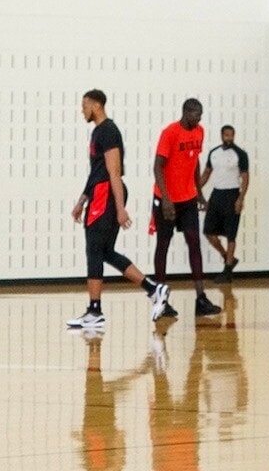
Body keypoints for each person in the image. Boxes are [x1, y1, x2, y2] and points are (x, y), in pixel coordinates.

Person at [67, 89, 169, 331]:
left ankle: (95, 312)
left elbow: (114, 172)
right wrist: (82, 200)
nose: (82, 110)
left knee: (94, 251)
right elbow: (96, 172)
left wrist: (120, 208)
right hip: (99, 193)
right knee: (104, 252)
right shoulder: (98, 132)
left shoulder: (108, 131)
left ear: (97, 105)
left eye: (85, 105)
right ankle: (154, 289)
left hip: (107, 195)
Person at [153, 98, 221, 320]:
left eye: (200, 115)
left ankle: (201, 298)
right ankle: (161, 300)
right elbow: (157, 166)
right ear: (185, 112)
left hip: (188, 198)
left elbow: (195, 161)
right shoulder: (170, 133)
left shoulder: (199, 131)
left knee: (194, 243)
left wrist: (198, 191)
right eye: (195, 114)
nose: (199, 118)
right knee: (163, 245)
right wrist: (165, 199)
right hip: (166, 199)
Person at [202, 124, 250, 280]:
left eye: (231, 135)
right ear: (221, 136)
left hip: (232, 194)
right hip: (217, 194)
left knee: (231, 234)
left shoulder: (240, 154)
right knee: (208, 231)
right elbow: (206, 173)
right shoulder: (214, 153)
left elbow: (245, 178)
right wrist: (195, 189)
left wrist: (240, 198)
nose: (229, 138)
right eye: (226, 135)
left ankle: (227, 270)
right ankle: (226, 256)